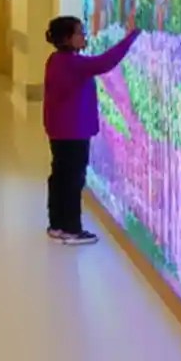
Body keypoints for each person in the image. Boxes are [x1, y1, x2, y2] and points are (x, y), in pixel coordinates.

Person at [42, 16, 141, 245]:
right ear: (67, 38)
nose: (83, 36)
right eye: (79, 32)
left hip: (59, 131)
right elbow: (105, 62)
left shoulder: (55, 60)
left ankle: (57, 224)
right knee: (73, 180)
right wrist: (132, 37)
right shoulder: (74, 64)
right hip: (73, 133)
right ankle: (71, 229)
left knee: (60, 177)